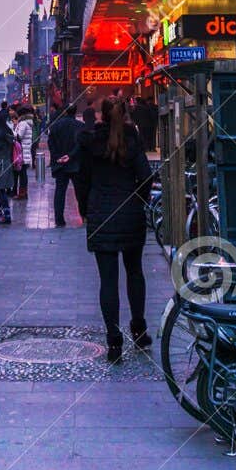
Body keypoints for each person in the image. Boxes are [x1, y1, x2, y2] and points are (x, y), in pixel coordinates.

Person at [81, 97, 152, 362]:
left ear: (102, 115)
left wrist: (86, 208)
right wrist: (138, 200)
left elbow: (83, 179)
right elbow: (145, 176)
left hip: (101, 214)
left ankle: (114, 341)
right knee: (135, 272)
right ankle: (139, 329)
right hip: (130, 213)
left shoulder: (91, 142)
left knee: (108, 281)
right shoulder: (132, 139)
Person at [48, 105, 83, 227]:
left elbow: (51, 144)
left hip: (60, 163)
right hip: (75, 163)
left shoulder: (55, 126)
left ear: (65, 112)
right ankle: (83, 215)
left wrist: (57, 156)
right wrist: (71, 155)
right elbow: (80, 145)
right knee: (79, 191)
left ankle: (59, 219)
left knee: (60, 191)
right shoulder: (80, 126)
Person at [73, 104, 95, 220]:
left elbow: (77, 150)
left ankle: (84, 215)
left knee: (82, 193)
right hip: (95, 167)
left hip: (81, 168)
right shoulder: (98, 132)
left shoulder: (80, 133)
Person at [12, 107, 34, 200]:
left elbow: (19, 136)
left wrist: (12, 131)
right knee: (23, 174)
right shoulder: (27, 123)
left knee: (22, 174)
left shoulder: (23, 123)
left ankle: (22, 194)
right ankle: (23, 193)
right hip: (25, 151)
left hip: (22, 152)